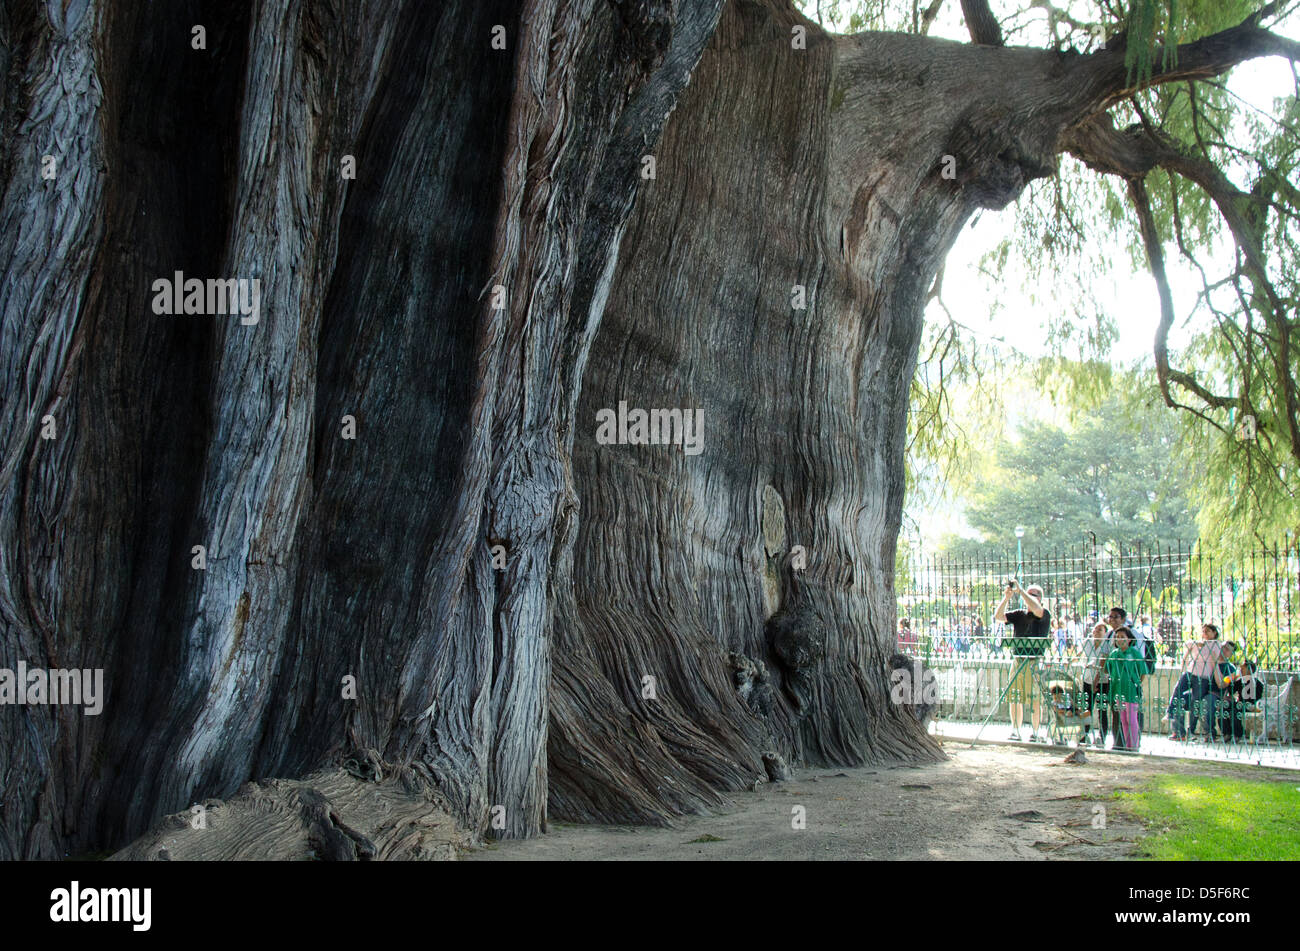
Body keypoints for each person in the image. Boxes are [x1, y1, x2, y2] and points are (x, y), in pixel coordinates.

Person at [994, 579, 1051, 742]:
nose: (1029, 598)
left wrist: (1022, 591)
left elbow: (1037, 610)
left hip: (1034, 661)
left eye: (1034, 595)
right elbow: (998, 616)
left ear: (1040, 598)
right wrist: (1006, 598)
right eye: (1028, 595)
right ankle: (1015, 730)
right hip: (1018, 660)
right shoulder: (1019, 614)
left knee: (1034, 699)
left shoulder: (1043, 614)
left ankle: (1035, 731)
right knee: (1014, 697)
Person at [1169, 624, 1222, 741]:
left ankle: (1190, 730)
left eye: (1208, 631)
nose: (1205, 634)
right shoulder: (1198, 643)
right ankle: (1174, 723)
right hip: (1190, 672)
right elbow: (1187, 644)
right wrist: (1196, 644)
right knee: (1178, 693)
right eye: (1203, 632)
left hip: (1202, 677)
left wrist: (1201, 645)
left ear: (1214, 633)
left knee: (1195, 703)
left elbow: (1214, 655)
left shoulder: (1216, 644)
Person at [1106, 627, 1145, 751]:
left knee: (1131, 718)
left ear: (1129, 639)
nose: (1120, 639)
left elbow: (1142, 671)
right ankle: (1127, 745)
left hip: (1130, 691)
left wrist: (1136, 683)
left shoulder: (1134, 653)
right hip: (1117, 690)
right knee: (1123, 719)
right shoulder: (1114, 654)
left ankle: (1134, 745)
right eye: (1117, 637)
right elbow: (1107, 669)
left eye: (1123, 637)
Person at [1080, 621, 1113, 748]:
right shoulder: (1087, 643)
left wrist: (1096, 678)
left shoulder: (1107, 645)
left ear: (1105, 633)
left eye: (1100, 630)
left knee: (1102, 708)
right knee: (1087, 708)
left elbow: (1104, 662)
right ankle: (1084, 734)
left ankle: (1102, 736)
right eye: (1095, 629)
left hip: (1102, 680)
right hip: (1087, 678)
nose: (1097, 632)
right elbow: (1082, 656)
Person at [1207, 641, 1240, 742]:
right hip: (1206, 692)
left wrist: (1216, 664)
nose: (1223, 650)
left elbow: (1221, 684)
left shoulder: (1231, 669)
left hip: (1221, 695)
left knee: (1212, 702)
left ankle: (1212, 733)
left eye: (1227, 649)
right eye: (1223, 647)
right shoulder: (1208, 662)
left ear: (1231, 654)